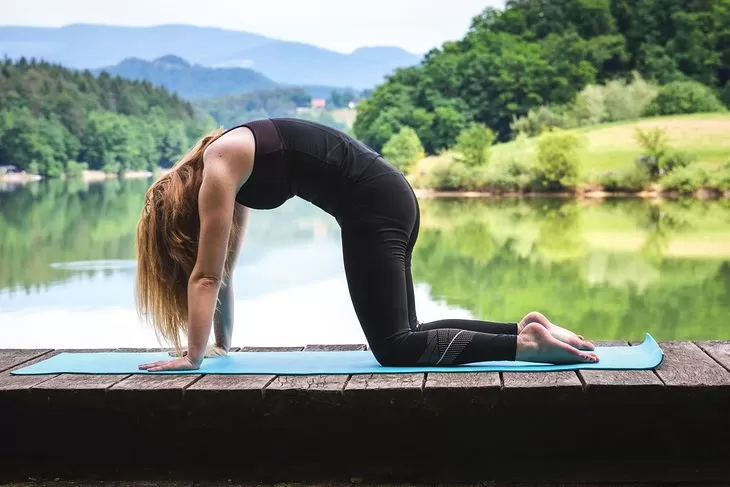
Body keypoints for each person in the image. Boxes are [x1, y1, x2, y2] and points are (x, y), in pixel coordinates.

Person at [135, 118, 599, 372]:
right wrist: (220, 347)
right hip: (388, 197)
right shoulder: (231, 158)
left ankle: (523, 347)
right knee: (409, 329)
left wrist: (190, 358)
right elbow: (223, 275)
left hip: (374, 206)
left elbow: (205, 275)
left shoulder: (219, 164)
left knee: (394, 347)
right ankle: (524, 328)